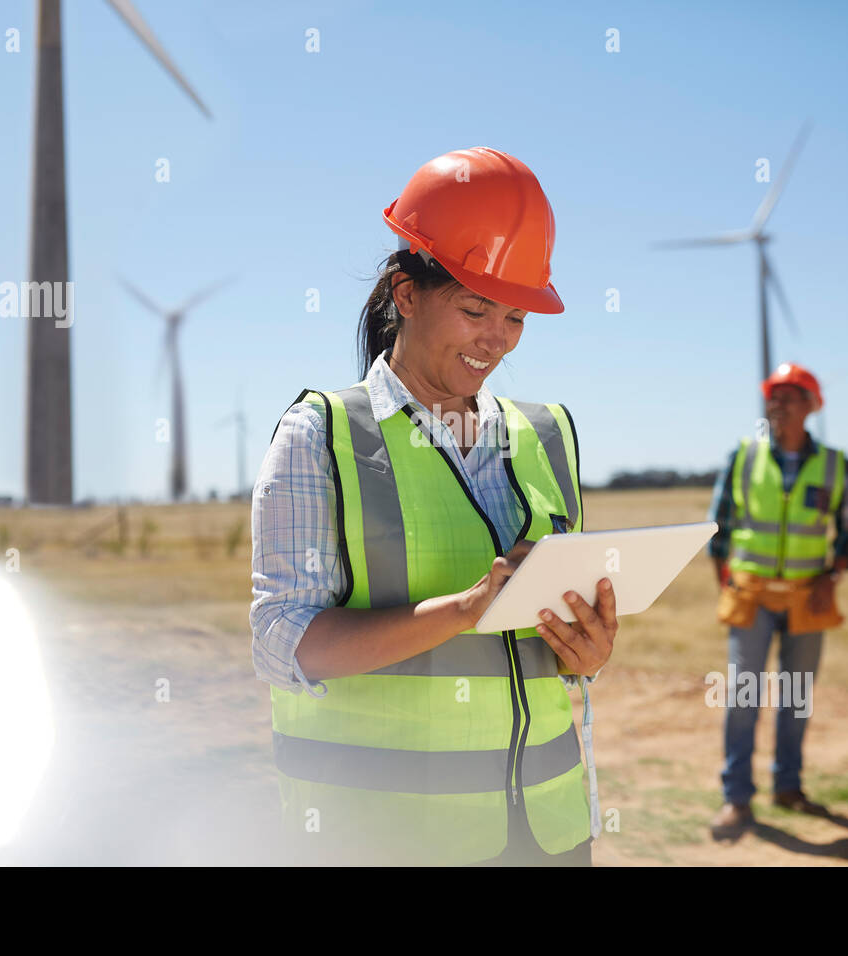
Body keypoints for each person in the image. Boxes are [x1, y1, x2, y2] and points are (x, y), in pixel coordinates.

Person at [250, 146, 615, 866]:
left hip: (546, 835)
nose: (496, 340)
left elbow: (552, 650)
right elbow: (280, 643)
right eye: (475, 308)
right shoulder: (322, 435)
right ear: (406, 294)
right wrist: (461, 612)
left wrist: (589, 654)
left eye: (514, 317)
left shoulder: (547, 437)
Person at [707, 363, 848, 836]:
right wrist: (728, 584)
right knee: (743, 697)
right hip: (751, 596)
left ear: (813, 406)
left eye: (792, 396)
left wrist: (832, 575)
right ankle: (736, 799)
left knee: (796, 698)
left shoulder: (835, 464)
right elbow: (719, 529)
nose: (780, 404)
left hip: (807, 599)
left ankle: (788, 787)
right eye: (774, 396)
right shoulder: (744, 457)